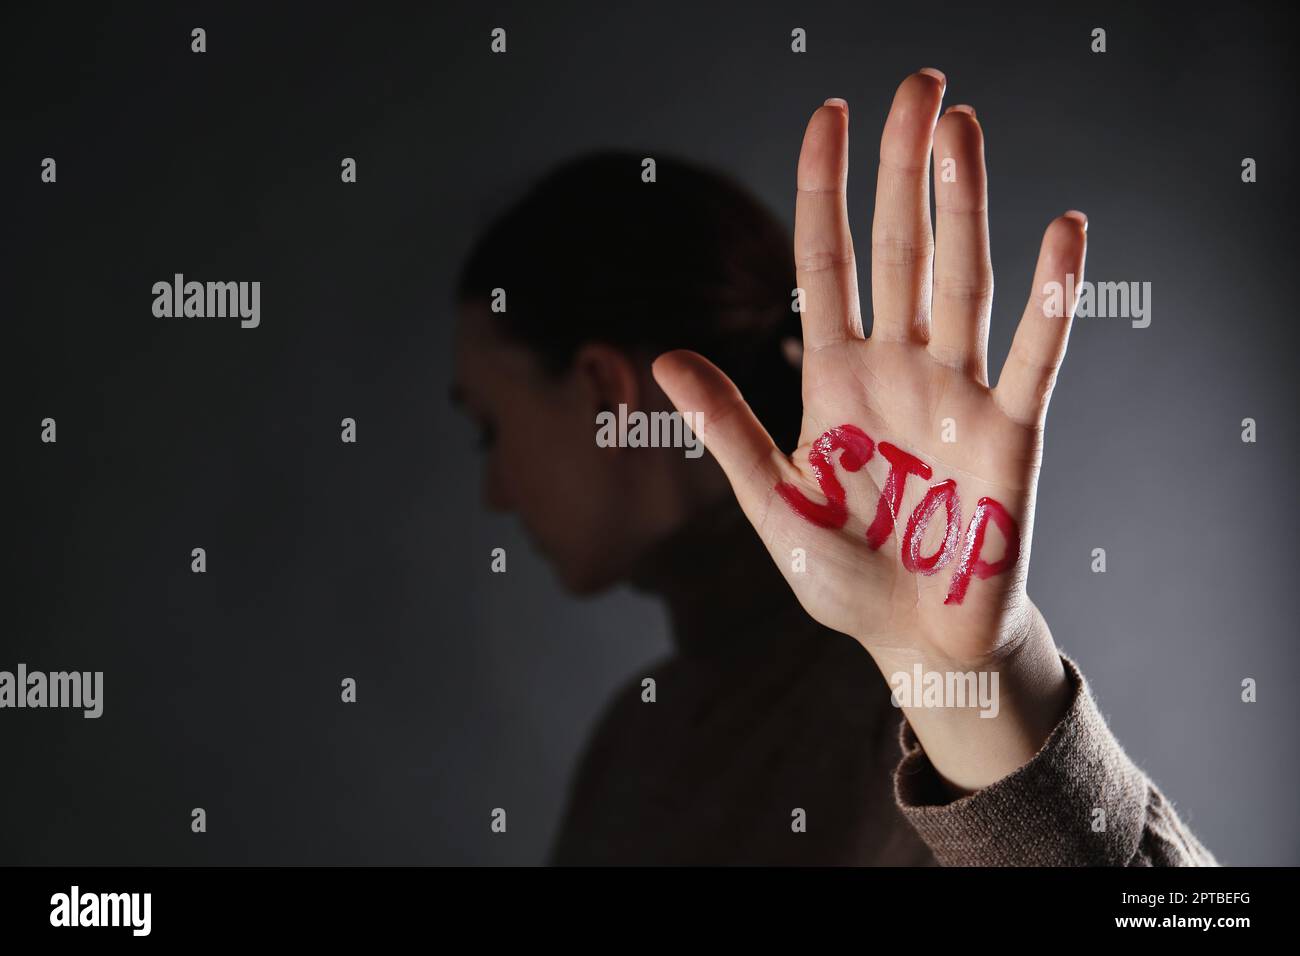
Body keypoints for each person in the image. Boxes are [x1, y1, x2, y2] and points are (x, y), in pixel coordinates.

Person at [451, 68, 1216, 865]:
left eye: (488, 429)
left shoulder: (905, 721)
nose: (493, 493)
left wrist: (972, 682)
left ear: (604, 388)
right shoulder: (637, 740)